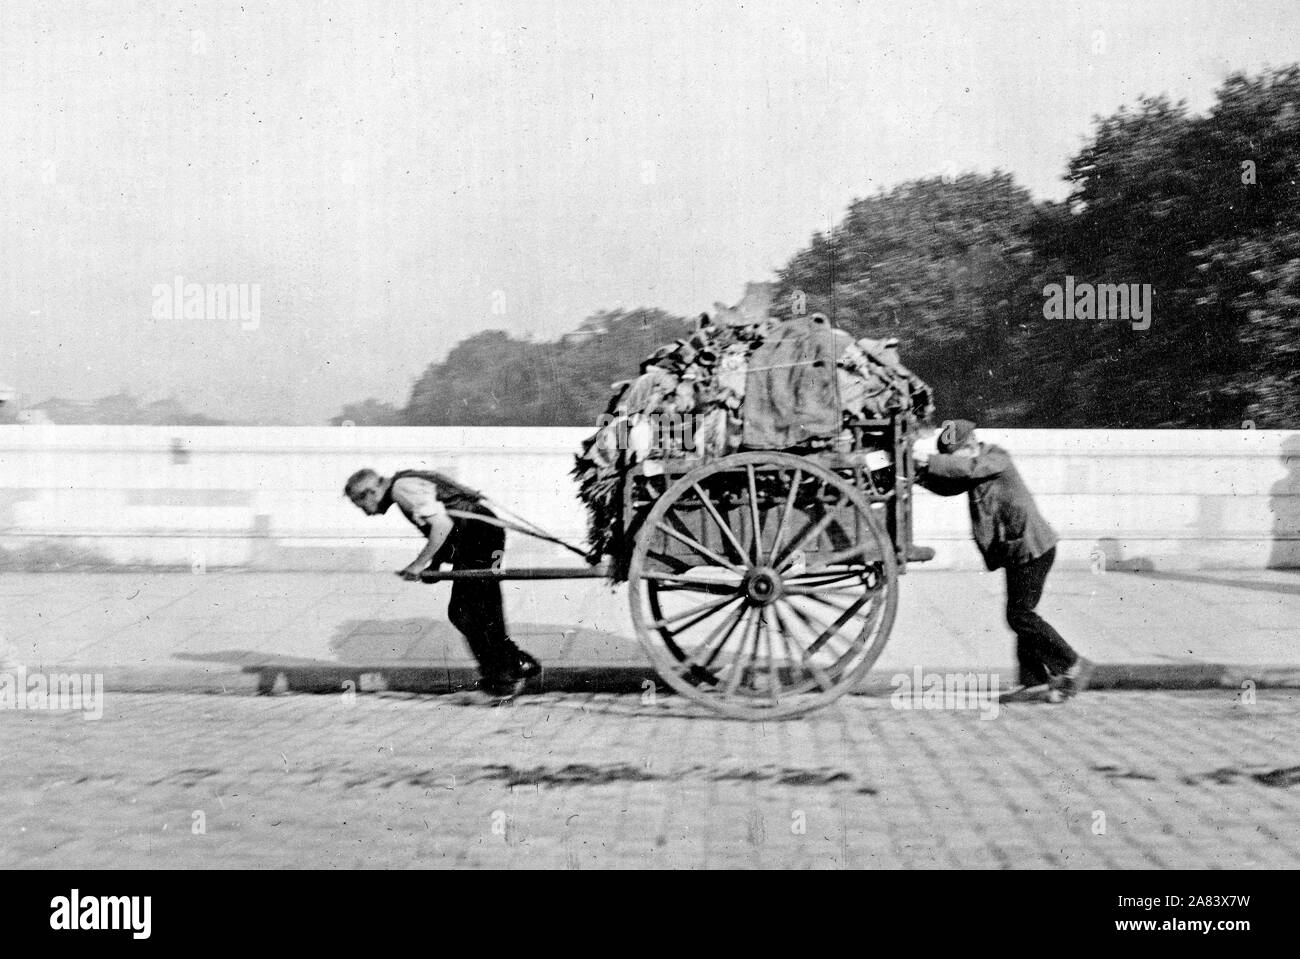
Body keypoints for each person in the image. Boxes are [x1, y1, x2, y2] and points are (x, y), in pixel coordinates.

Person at [913, 420, 1092, 702]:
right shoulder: (974, 463)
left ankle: (1073, 664)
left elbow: (967, 469)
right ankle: (1032, 681)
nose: (952, 462)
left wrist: (929, 460)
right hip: (1017, 550)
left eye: (953, 455)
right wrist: (917, 473)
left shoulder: (996, 458)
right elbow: (949, 485)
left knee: (1020, 616)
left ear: (971, 444)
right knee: (1021, 614)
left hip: (1034, 549)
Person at [344, 467, 540, 699]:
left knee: (466, 611)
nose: (367, 513)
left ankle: (509, 670)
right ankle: (506, 671)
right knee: (478, 608)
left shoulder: (401, 490)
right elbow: (447, 518)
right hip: (485, 534)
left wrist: (418, 565)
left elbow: (442, 526)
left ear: (370, 493)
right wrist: (435, 566)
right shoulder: (404, 482)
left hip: (479, 537)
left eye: (362, 506)